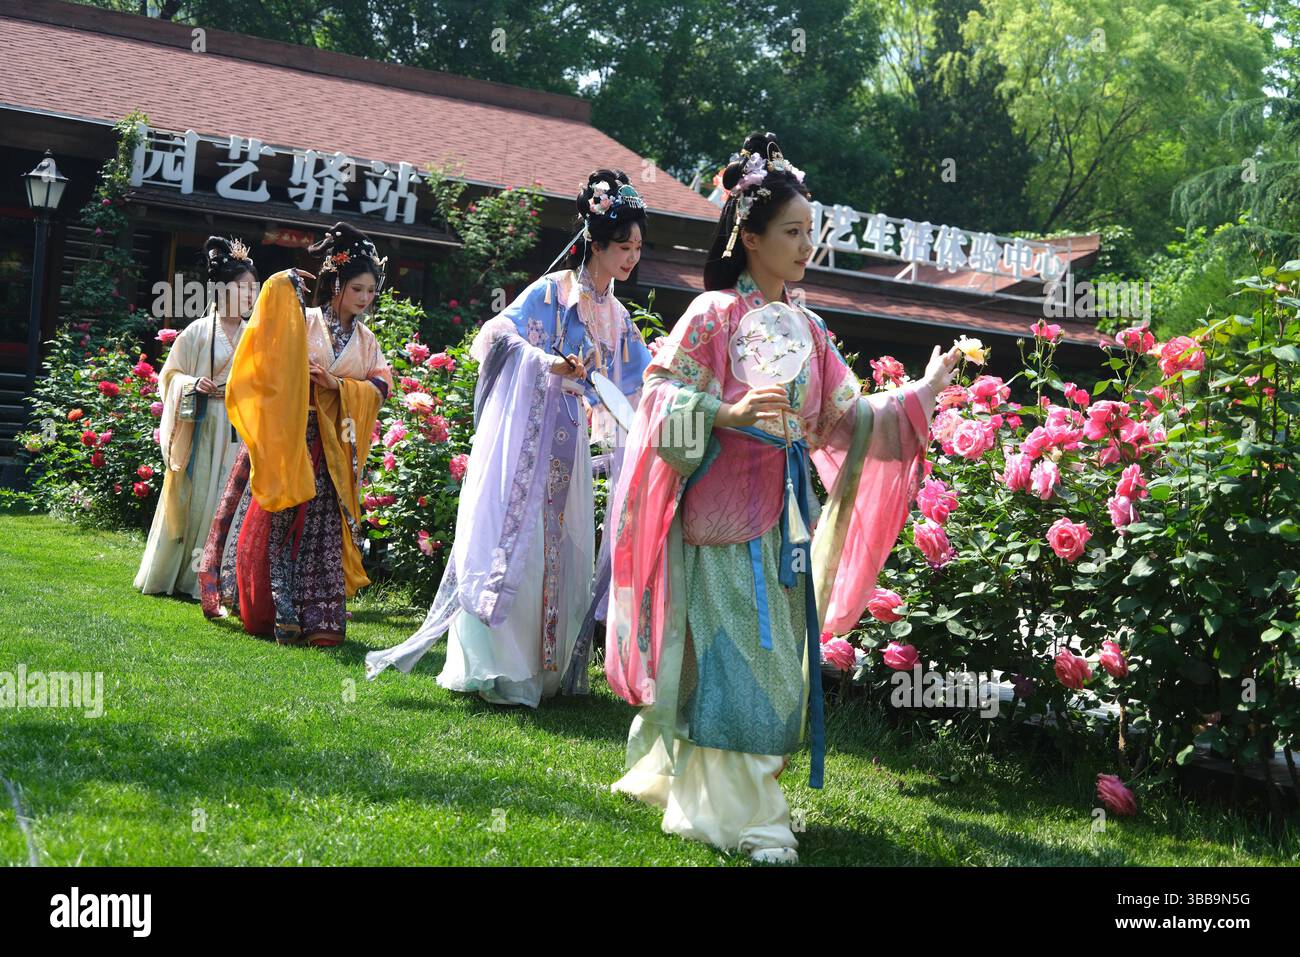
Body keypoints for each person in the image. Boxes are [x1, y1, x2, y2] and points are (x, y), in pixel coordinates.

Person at [605, 132, 962, 863]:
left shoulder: (810, 326)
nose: (807, 246)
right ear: (751, 237)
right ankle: (746, 816)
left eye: (811, 232)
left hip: (786, 523)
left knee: (773, 662)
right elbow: (657, 398)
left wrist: (925, 391)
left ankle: (728, 794)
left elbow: (846, 422)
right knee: (744, 661)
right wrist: (727, 413)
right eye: (793, 232)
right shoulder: (712, 314)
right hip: (723, 514)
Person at [365, 169, 653, 706]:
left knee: (560, 549)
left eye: (638, 247)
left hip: (570, 452)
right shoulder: (552, 291)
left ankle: (544, 674)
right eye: (623, 245)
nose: (632, 257)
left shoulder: (617, 317)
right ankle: (499, 669)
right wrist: (547, 363)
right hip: (528, 445)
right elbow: (494, 337)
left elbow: (641, 381)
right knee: (516, 545)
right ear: (595, 242)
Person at [199, 222, 392, 646]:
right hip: (289, 438)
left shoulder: (366, 339)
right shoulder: (301, 322)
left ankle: (320, 617)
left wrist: (336, 386)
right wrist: (277, 286)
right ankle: (276, 610)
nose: (364, 298)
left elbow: (382, 385)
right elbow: (259, 349)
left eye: (370, 291)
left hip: (332, 449)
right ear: (336, 283)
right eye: (358, 288)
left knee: (322, 529)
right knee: (280, 520)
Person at [135, 236, 256, 598]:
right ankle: (184, 576)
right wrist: (191, 383)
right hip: (204, 424)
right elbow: (168, 376)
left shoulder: (256, 336)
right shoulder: (199, 332)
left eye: (255, 289)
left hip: (240, 425)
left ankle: (221, 578)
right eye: (244, 289)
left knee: (229, 496)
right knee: (199, 491)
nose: (251, 296)